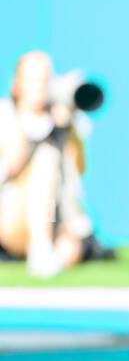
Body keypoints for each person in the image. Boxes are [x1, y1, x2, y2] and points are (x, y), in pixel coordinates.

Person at [0, 52, 109, 277]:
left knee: (71, 246)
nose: (40, 87)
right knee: (46, 156)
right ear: (17, 84)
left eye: (45, 79)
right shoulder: (6, 115)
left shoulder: (63, 118)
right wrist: (34, 124)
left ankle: (47, 254)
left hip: (53, 216)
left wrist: (66, 129)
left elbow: (79, 170)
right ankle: (40, 247)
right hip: (12, 219)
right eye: (33, 80)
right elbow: (8, 168)